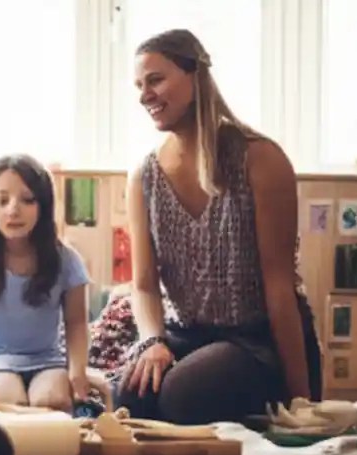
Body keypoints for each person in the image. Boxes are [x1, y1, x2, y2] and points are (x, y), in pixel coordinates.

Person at [116, 29, 321, 424]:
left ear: (196, 75)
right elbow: (142, 284)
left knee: (182, 396)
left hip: (255, 343)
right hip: (184, 335)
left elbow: (280, 286)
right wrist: (153, 342)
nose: (144, 95)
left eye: (156, 80)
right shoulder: (143, 175)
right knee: (129, 396)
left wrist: (303, 402)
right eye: (139, 86)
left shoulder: (261, 159)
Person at [0, 155, 91, 413]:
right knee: (8, 401)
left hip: (48, 360)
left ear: (43, 204)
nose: (13, 210)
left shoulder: (67, 260)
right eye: (2, 200)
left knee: (52, 401)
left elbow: (77, 324)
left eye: (27, 200)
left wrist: (77, 372)